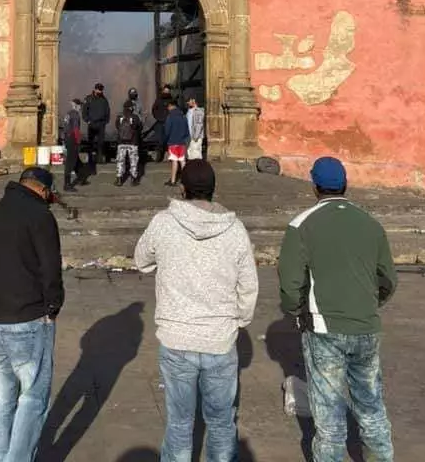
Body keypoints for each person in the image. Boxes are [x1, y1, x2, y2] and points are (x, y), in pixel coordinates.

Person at [134, 161, 259, 462]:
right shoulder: (235, 229)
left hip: (176, 336)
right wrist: (239, 319)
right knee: (221, 422)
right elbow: (248, 285)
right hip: (219, 338)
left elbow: (142, 260)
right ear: (215, 190)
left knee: (178, 423)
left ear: (182, 188)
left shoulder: (164, 223)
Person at [278, 156, 398, 462]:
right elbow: (388, 279)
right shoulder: (370, 224)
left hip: (323, 329)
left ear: (315, 187)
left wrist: (295, 310)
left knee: (329, 415)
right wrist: (371, 303)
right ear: (345, 184)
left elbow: (290, 284)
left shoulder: (301, 225)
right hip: (366, 326)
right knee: (371, 406)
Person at [0, 166, 64, 462]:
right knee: (33, 398)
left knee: (0, 396)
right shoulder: (40, 217)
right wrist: (52, 306)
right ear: (41, 190)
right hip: (29, 318)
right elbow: (51, 269)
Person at [82, 82, 111, 166]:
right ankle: (90, 159)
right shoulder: (88, 99)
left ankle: (99, 159)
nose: (100, 91)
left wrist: (106, 121)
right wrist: (87, 120)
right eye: (98, 89)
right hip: (91, 124)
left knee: (100, 143)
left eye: (101, 90)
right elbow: (84, 111)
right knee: (90, 143)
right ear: (95, 89)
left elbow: (107, 111)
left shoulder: (104, 100)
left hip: (101, 124)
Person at [115, 99, 143, 186]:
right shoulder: (135, 117)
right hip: (133, 142)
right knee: (133, 161)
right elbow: (139, 127)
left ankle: (119, 179)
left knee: (120, 160)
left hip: (121, 142)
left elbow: (117, 127)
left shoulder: (119, 117)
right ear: (131, 108)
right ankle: (133, 179)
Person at [163, 96, 190, 187]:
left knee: (174, 161)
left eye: (168, 106)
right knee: (182, 161)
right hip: (182, 142)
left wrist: (166, 139)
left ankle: (173, 180)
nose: (167, 108)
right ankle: (187, 180)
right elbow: (187, 130)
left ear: (171, 106)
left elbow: (167, 130)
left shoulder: (170, 116)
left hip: (173, 142)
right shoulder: (183, 116)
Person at [61, 97, 87, 190]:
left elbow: (64, 127)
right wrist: (79, 141)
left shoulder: (68, 114)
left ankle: (81, 178)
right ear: (76, 105)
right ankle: (67, 184)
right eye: (80, 106)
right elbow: (76, 130)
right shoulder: (75, 115)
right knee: (70, 162)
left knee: (76, 160)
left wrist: (64, 140)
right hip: (73, 139)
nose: (80, 108)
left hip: (67, 138)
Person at [151, 84, 174, 162]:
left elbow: (175, 109)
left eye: (168, 91)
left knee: (170, 141)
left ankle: (171, 156)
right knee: (160, 141)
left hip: (170, 123)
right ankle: (159, 157)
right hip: (160, 123)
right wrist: (159, 118)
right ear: (163, 90)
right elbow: (154, 110)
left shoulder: (172, 100)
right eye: (165, 90)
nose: (167, 92)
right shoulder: (158, 100)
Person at [185, 96, 205, 161]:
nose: (188, 102)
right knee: (190, 155)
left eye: (189, 100)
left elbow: (199, 124)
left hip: (196, 137)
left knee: (196, 155)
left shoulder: (198, 111)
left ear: (193, 100)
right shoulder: (188, 112)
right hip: (189, 137)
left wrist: (195, 137)